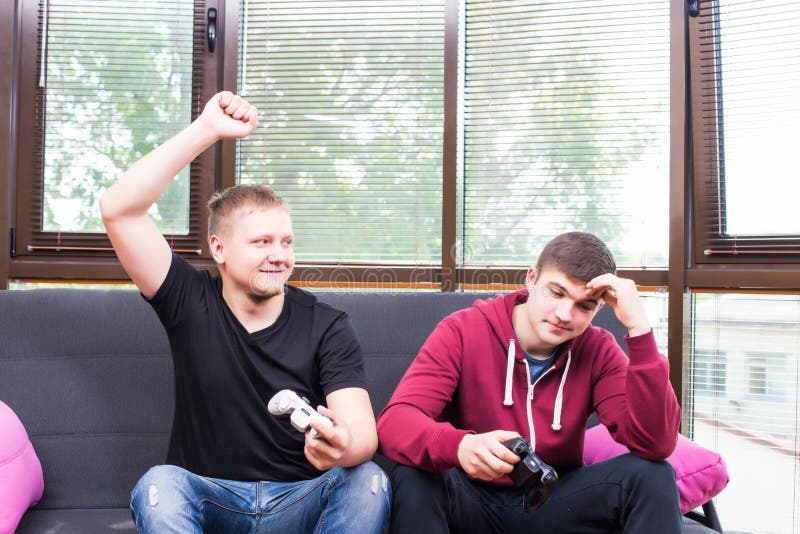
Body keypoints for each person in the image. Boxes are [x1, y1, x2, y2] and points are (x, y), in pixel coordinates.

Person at [100, 91, 390, 533]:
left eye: (286, 242)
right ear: (219, 249)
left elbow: (362, 435)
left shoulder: (327, 324)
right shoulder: (188, 299)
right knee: (159, 484)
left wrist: (342, 445)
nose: (280, 255)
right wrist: (207, 130)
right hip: (210, 499)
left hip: (298, 501)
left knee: (368, 479)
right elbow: (118, 210)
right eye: (262, 242)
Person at [377, 231, 683, 533]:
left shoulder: (598, 349)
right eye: (557, 293)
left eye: (584, 306)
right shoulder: (463, 330)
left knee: (652, 474)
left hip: (554, 503)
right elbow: (395, 422)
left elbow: (655, 444)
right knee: (414, 476)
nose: (564, 315)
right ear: (531, 279)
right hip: (468, 498)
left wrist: (639, 328)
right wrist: (461, 445)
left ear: (599, 308)